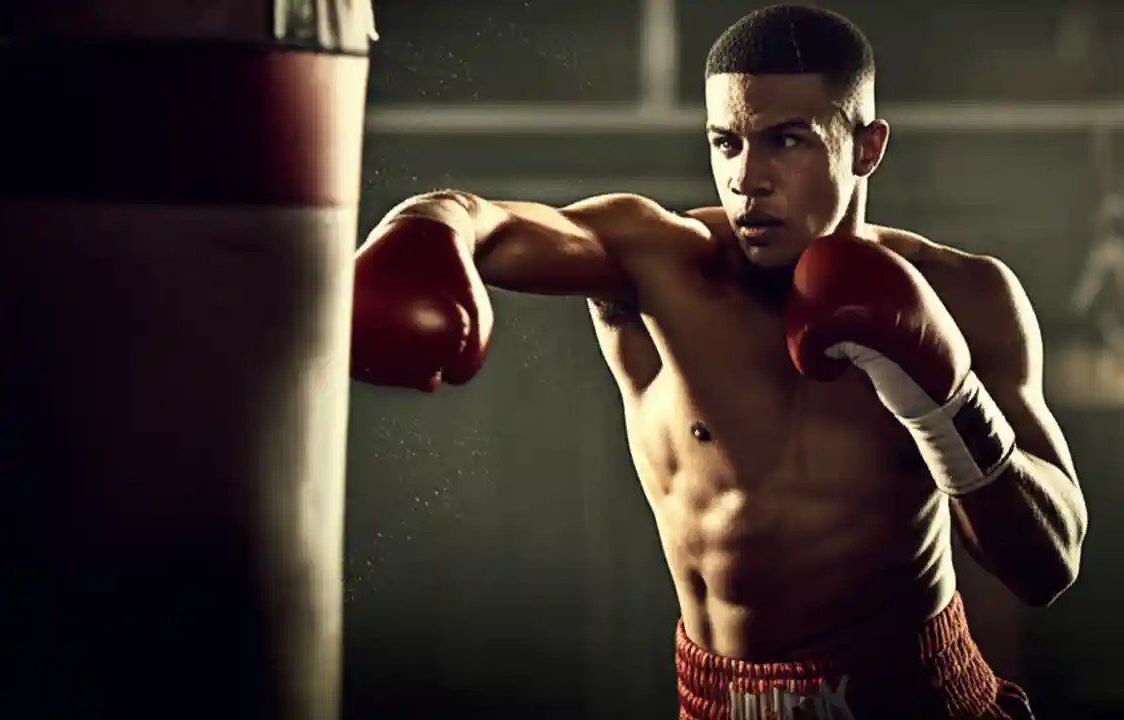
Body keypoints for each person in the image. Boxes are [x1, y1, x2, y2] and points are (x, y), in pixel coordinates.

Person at [350, 5, 1087, 718]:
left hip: (919, 698)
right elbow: (498, 222)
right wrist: (429, 223)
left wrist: (945, 399)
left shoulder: (968, 293)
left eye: (787, 141)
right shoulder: (661, 266)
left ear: (866, 147)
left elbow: (1049, 565)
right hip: (722, 701)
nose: (745, 178)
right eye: (725, 142)